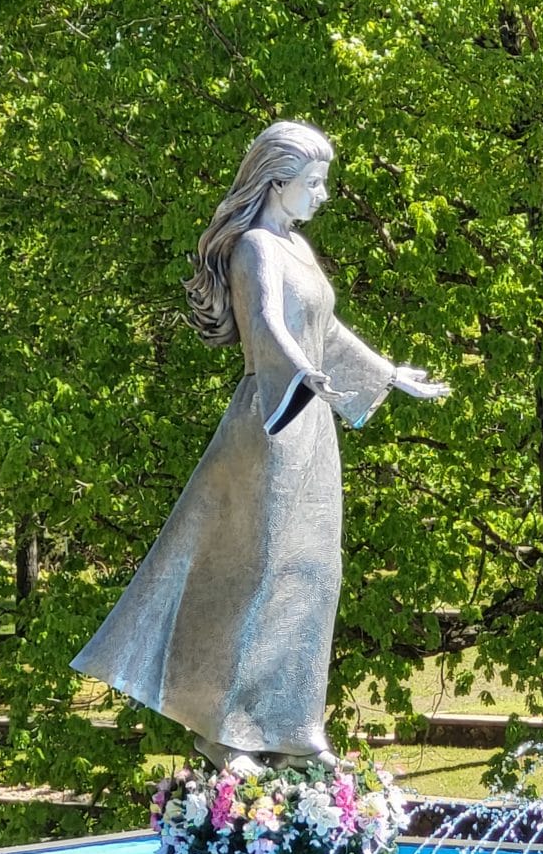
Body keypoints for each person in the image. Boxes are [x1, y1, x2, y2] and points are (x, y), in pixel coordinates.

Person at [70, 121, 448, 774]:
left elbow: (328, 330)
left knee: (314, 575)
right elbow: (268, 322)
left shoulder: (298, 247)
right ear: (277, 182)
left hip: (313, 426)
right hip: (271, 422)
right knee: (260, 571)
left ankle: (296, 731)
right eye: (314, 183)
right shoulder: (254, 248)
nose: (323, 195)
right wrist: (300, 371)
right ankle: (225, 733)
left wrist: (388, 374)